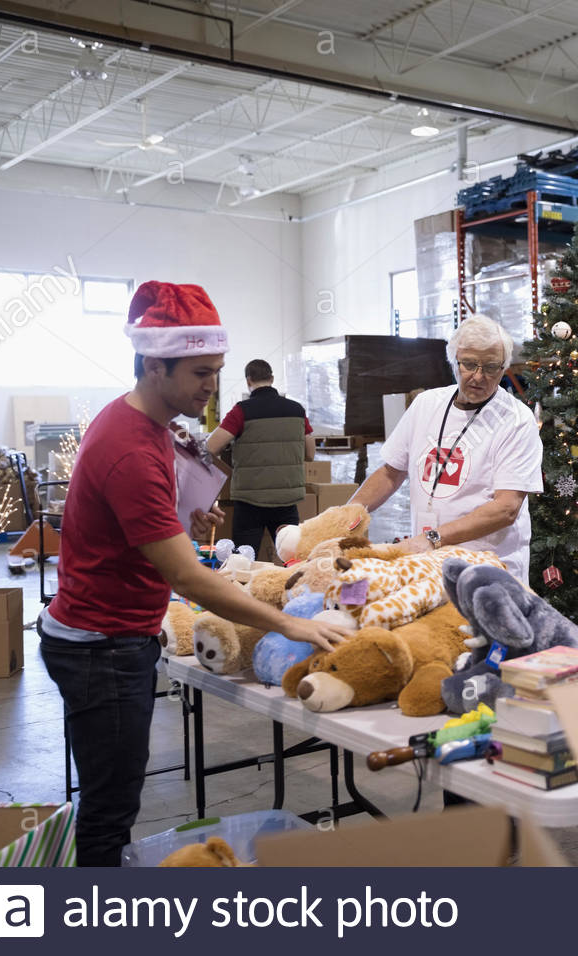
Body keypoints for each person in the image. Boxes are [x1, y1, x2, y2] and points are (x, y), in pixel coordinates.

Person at [38, 281, 349, 867]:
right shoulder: (131, 447)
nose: (212, 386)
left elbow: (141, 527)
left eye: (218, 370)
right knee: (109, 814)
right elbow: (191, 579)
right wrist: (289, 624)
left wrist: (182, 513)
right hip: (101, 646)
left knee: (113, 802)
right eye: (200, 372)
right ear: (155, 365)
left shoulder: (151, 426)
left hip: (108, 633)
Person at [349, 315, 542, 583]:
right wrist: (345, 516)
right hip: (427, 566)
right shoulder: (426, 404)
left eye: (490, 367)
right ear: (454, 360)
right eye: (470, 364)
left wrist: (432, 538)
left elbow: (506, 508)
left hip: (488, 572)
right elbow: (391, 473)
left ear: (503, 367)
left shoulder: (517, 420)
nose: (478, 376)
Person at [205, 359, 314, 556]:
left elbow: (210, 447)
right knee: (293, 558)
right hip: (286, 501)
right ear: (271, 379)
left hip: (250, 502)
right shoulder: (297, 410)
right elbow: (310, 453)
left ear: (248, 381)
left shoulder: (241, 411)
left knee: (245, 561)